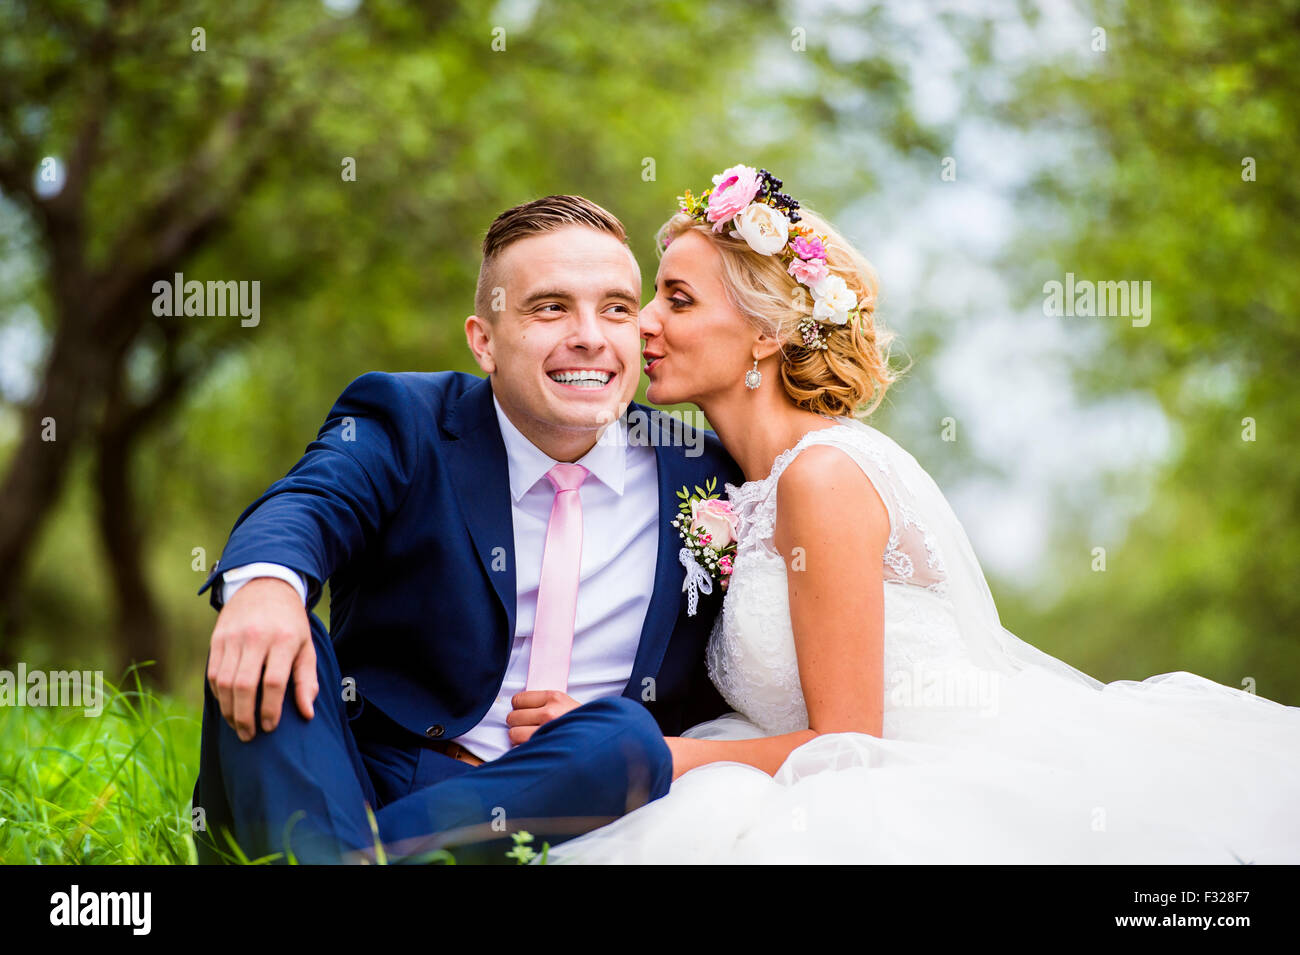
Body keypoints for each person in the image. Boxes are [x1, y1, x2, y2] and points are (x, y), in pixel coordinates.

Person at [543, 164, 1300, 863]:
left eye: (676, 299)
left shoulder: (824, 477)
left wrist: (639, 747)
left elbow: (846, 743)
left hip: (912, 798)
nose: (640, 322)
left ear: (768, 333)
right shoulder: (744, 484)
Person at [191, 195, 741, 864]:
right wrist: (267, 587)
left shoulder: (709, 476)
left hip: (566, 804)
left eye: (617, 308)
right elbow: (309, 501)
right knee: (278, 625)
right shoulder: (406, 418)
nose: (590, 335)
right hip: (359, 783)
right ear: (484, 340)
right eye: (550, 307)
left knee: (627, 736)